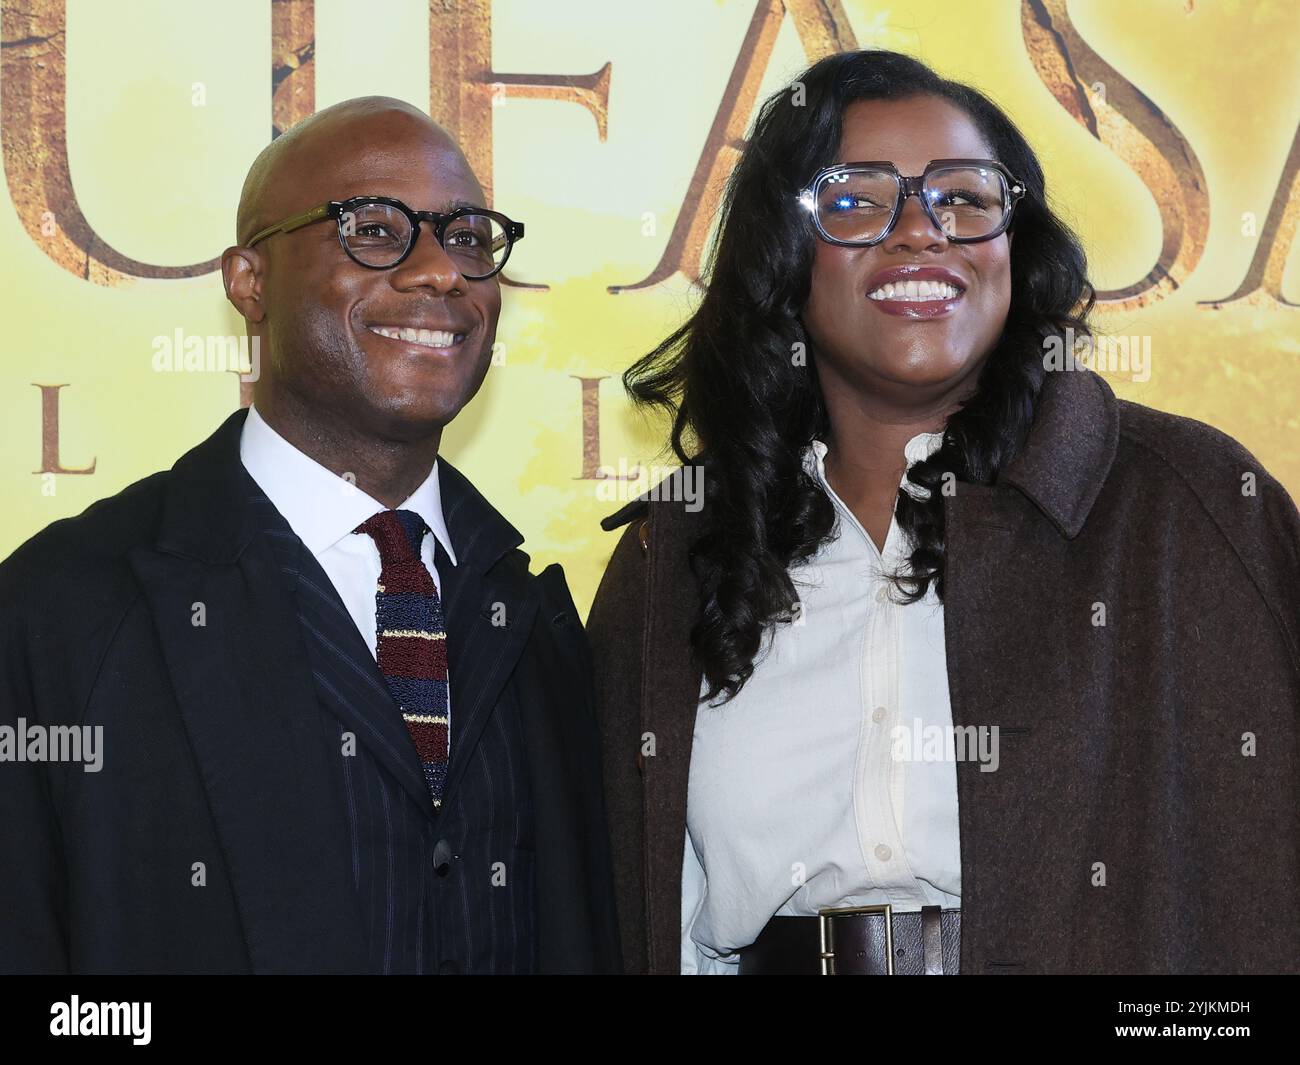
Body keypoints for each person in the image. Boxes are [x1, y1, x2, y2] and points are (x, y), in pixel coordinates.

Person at [586, 50, 1300, 975]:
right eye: (855, 199)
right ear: (784, 257)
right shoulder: (673, 560)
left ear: (1017, 245)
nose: (922, 232)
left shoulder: (1189, 509)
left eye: (965, 198)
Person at [0, 96, 620, 974]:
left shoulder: (535, 618)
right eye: (374, 229)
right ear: (248, 280)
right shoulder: (68, 608)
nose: (441, 271)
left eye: (471, 237)